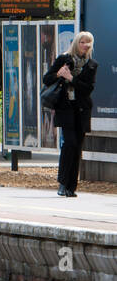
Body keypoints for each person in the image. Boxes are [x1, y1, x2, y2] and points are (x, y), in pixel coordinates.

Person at [43, 31, 97, 197]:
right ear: (76, 43)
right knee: (70, 143)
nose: (85, 45)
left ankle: (71, 187)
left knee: (77, 147)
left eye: (88, 43)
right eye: (82, 42)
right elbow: (47, 79)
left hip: (81, 109)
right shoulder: (64, 58)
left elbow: (88, 88)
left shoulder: (92, 64)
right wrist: (59, 74)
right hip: (65, 108)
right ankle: (62, 183)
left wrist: (71, 78)